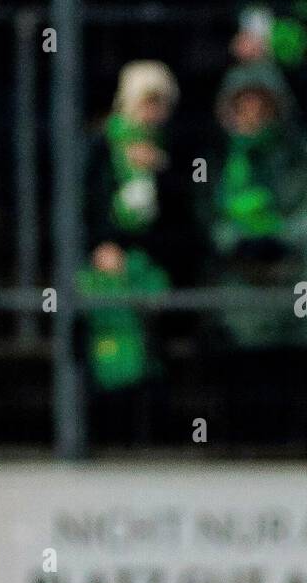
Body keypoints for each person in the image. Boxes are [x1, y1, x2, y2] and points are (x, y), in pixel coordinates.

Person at [200, 61, 307, 449]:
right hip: (237, 307)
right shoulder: (215, 160)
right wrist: (238, 239)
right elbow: (206, 215)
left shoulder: (304, 154)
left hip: (293, 299)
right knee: (242, 410)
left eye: (259, 106)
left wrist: (280, 237)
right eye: (241, 107)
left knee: (293, 407)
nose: (251, 115)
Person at [82, 60, 183, 447]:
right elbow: (82, 204)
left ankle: (148, 443)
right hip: (106, 274)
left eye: (160, 105)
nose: (152, 114)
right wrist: (100, 245)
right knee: (112, 359)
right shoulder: (101, 146)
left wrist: (164, 172)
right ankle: (107, 442)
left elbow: (180, 216)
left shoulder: (169, 152)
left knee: (151, 364)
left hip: (151, 272)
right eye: (146, 103)